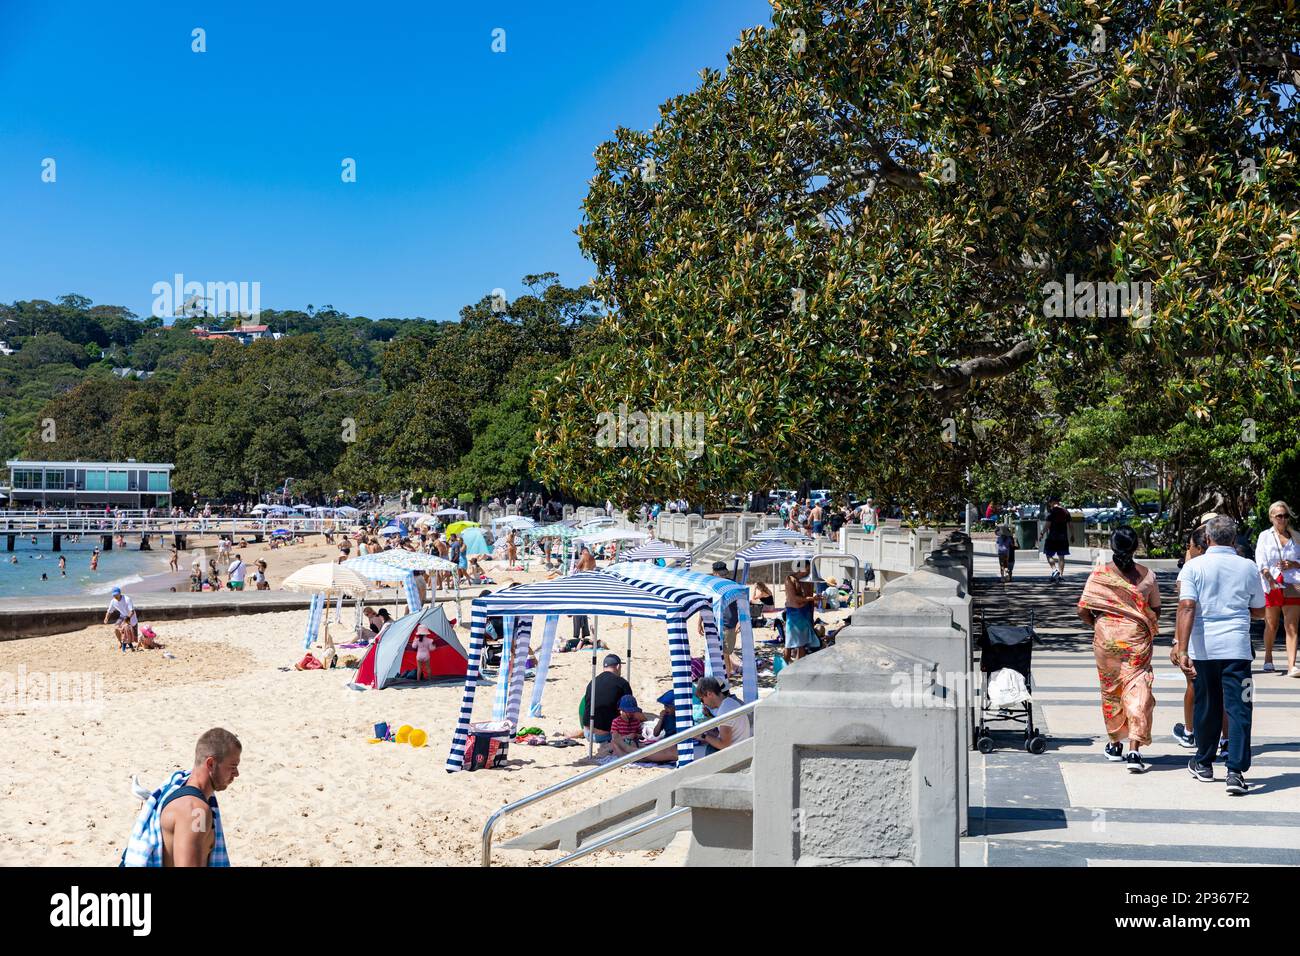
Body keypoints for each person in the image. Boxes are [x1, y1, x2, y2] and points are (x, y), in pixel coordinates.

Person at [1176, 516, 1265, 795]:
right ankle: (1235, 772)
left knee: (1206, 705)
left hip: (1203, 648)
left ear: (1209, 539)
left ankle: (1203, 762)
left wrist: (1181, 648)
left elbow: (1187, 606)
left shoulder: (1194, 567)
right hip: (1237, 649)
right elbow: (1260, 609)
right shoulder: (1248, 567)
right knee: (1239, 708)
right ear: (1234, 540)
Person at [1076, 527, 1160, 773]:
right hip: (1137, 643)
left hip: (1106, 643)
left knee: (1111, 691)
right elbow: (1156, 610)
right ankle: (1134, 750)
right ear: (1136, 547)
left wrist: (1103, 625)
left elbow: (1082, 610)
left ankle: (1115, 744)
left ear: (1112, 547)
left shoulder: (1099, 575)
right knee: (1138, 689)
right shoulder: (1148, 576)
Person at [134, 728, 240, 867]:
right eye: (233, 766)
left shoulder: (181, 790)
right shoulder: (195, 811)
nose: (236, 773)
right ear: (211, 764)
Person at [1254, 501, 1300, 677]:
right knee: (1271, 624)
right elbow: (1261, 560)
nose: (1282, 519)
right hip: (1271, 583)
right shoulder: (1264, 536)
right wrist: (1268, 576)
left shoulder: (1296, 537)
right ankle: (1268, 657)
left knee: (1292, 626)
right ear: (1271, 517)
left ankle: (1291, 666)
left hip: (1293, 584)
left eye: (1285, 515)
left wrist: (1294, 563)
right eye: (1279, 516)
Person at [572, 654, 632, 747]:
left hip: (588, 733)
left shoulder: (592, 682)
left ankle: (580, 732)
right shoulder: (622, 683)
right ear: (618, 666)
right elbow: (629, 711)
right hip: (605, 736)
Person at [693, 675, 751, 757]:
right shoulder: (730, 703)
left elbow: (724, 745)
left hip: (732, 755)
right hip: (739, 749)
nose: (703, 703)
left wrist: (703, 736)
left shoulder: (724, 711)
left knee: (673, 751)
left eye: (702, 699)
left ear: (709, 694)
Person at [711, 561, 741, 679]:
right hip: (714, 622)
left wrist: (740, 621)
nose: (723, 576)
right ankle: (726, 674)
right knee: (719, 653)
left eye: (724, 574)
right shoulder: (711, 585)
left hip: (729, 623)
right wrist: (700, 621)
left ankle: (726, 677)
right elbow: (706, 602)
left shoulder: (732, 585)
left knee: (725, 652)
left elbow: (741, 603)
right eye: (720, 574)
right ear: (715, 574)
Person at [782, 566, 817, 664]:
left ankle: (797, 666)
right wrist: (810, 599)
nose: (809, 571)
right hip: (794, 613)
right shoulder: (790, 579)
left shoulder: (808, 580)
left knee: (801, 643)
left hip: (804, 612)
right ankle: (785, 665)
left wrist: (811, 615)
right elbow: (794, 598)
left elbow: (808, 597)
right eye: (808, 569)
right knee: (789, 643)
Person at [1042, 500, 1072, 582]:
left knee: (1048, 554)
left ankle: (1054, 570)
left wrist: (1042, 533)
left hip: (1052, 538)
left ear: (1052, 503)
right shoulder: (1066, 512)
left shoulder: (1051, 513)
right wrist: (1072, 535)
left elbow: (1047, 525)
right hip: (1063, 538)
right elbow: (1070, 525)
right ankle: (1061, 575)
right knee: (1061, 557)